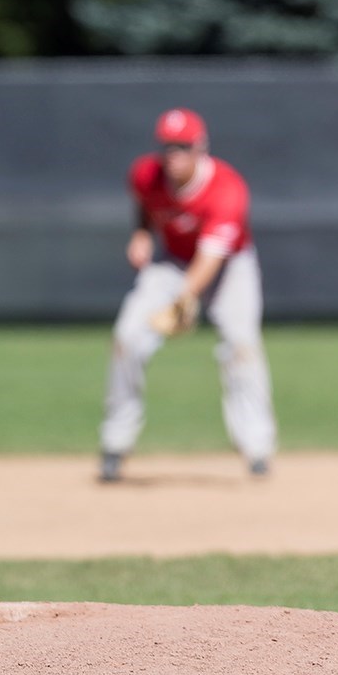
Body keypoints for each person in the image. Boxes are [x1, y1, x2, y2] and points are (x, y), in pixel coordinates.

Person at [98, 108, 276, 482]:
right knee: (127, 338)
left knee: (241, 344)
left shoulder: (227, 188)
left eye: (182, 146)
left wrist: (182, 300)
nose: (173, 154)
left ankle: (257, 446)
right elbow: (145, 208)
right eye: (167, 146)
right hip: (172, 261)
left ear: (201, 147)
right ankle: (115, 443)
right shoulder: (146, 174)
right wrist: (143, 233)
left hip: (229, 266)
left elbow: (211, 258)